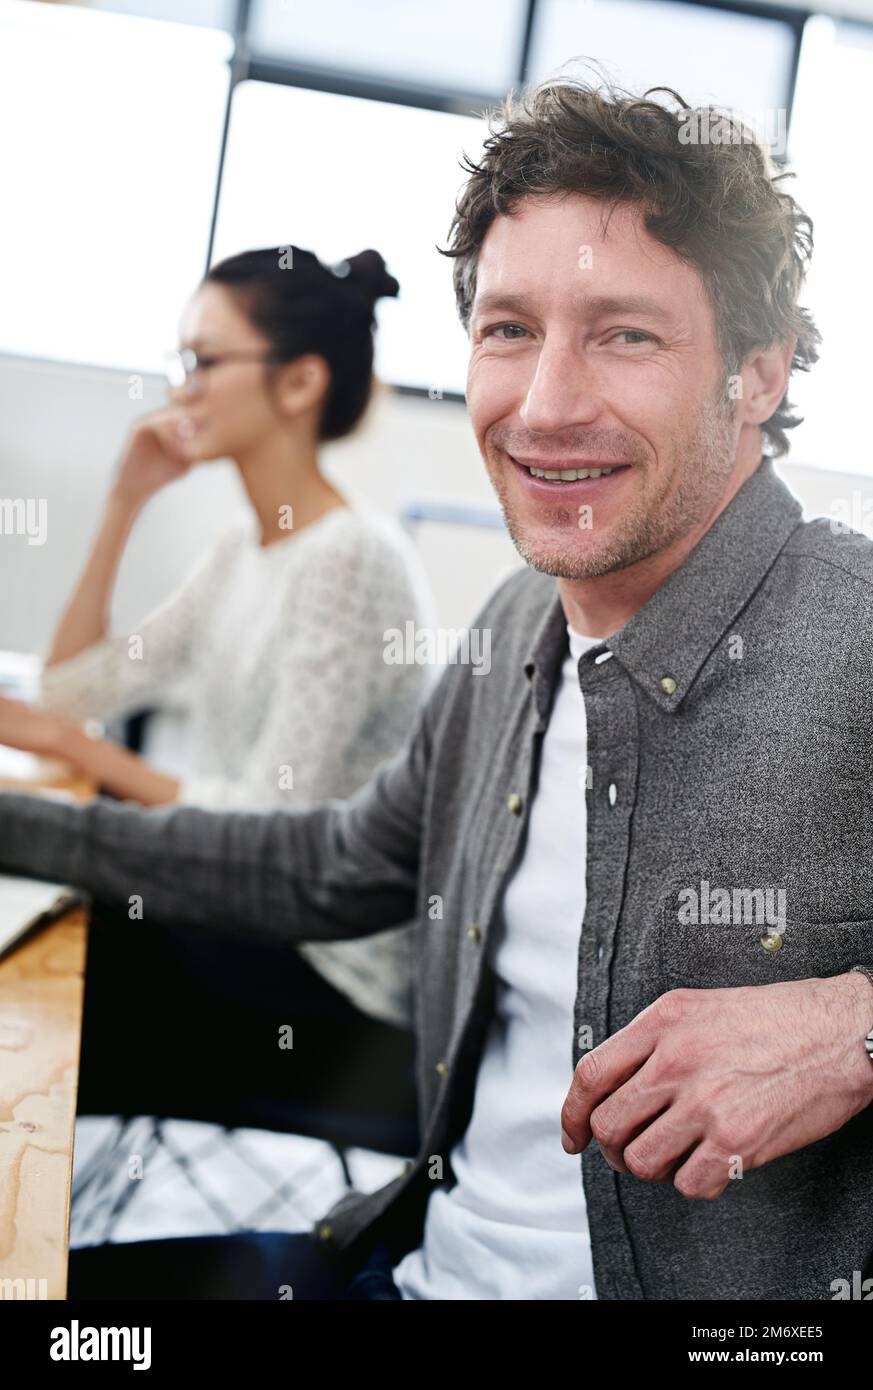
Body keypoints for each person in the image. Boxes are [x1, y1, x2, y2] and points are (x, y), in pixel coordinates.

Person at [3, 75, 873, 1301]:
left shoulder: (858, 632)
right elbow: (328, 863)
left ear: (759, 373)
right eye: (509, 330)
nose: (546, 404)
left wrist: (857, 1026)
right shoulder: (522, 623)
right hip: (413, 1265)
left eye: (626, 333)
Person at [0, 246, 439, 1232]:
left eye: (204, 361)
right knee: (50, 944)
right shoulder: (245, 549)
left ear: (299, 381)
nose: (183, 387)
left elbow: (280, 836)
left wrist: (97, 763)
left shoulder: (351, 558)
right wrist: (125, 499)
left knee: (54, 965)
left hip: (330, 971)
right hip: (249, 914)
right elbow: (72, 694)